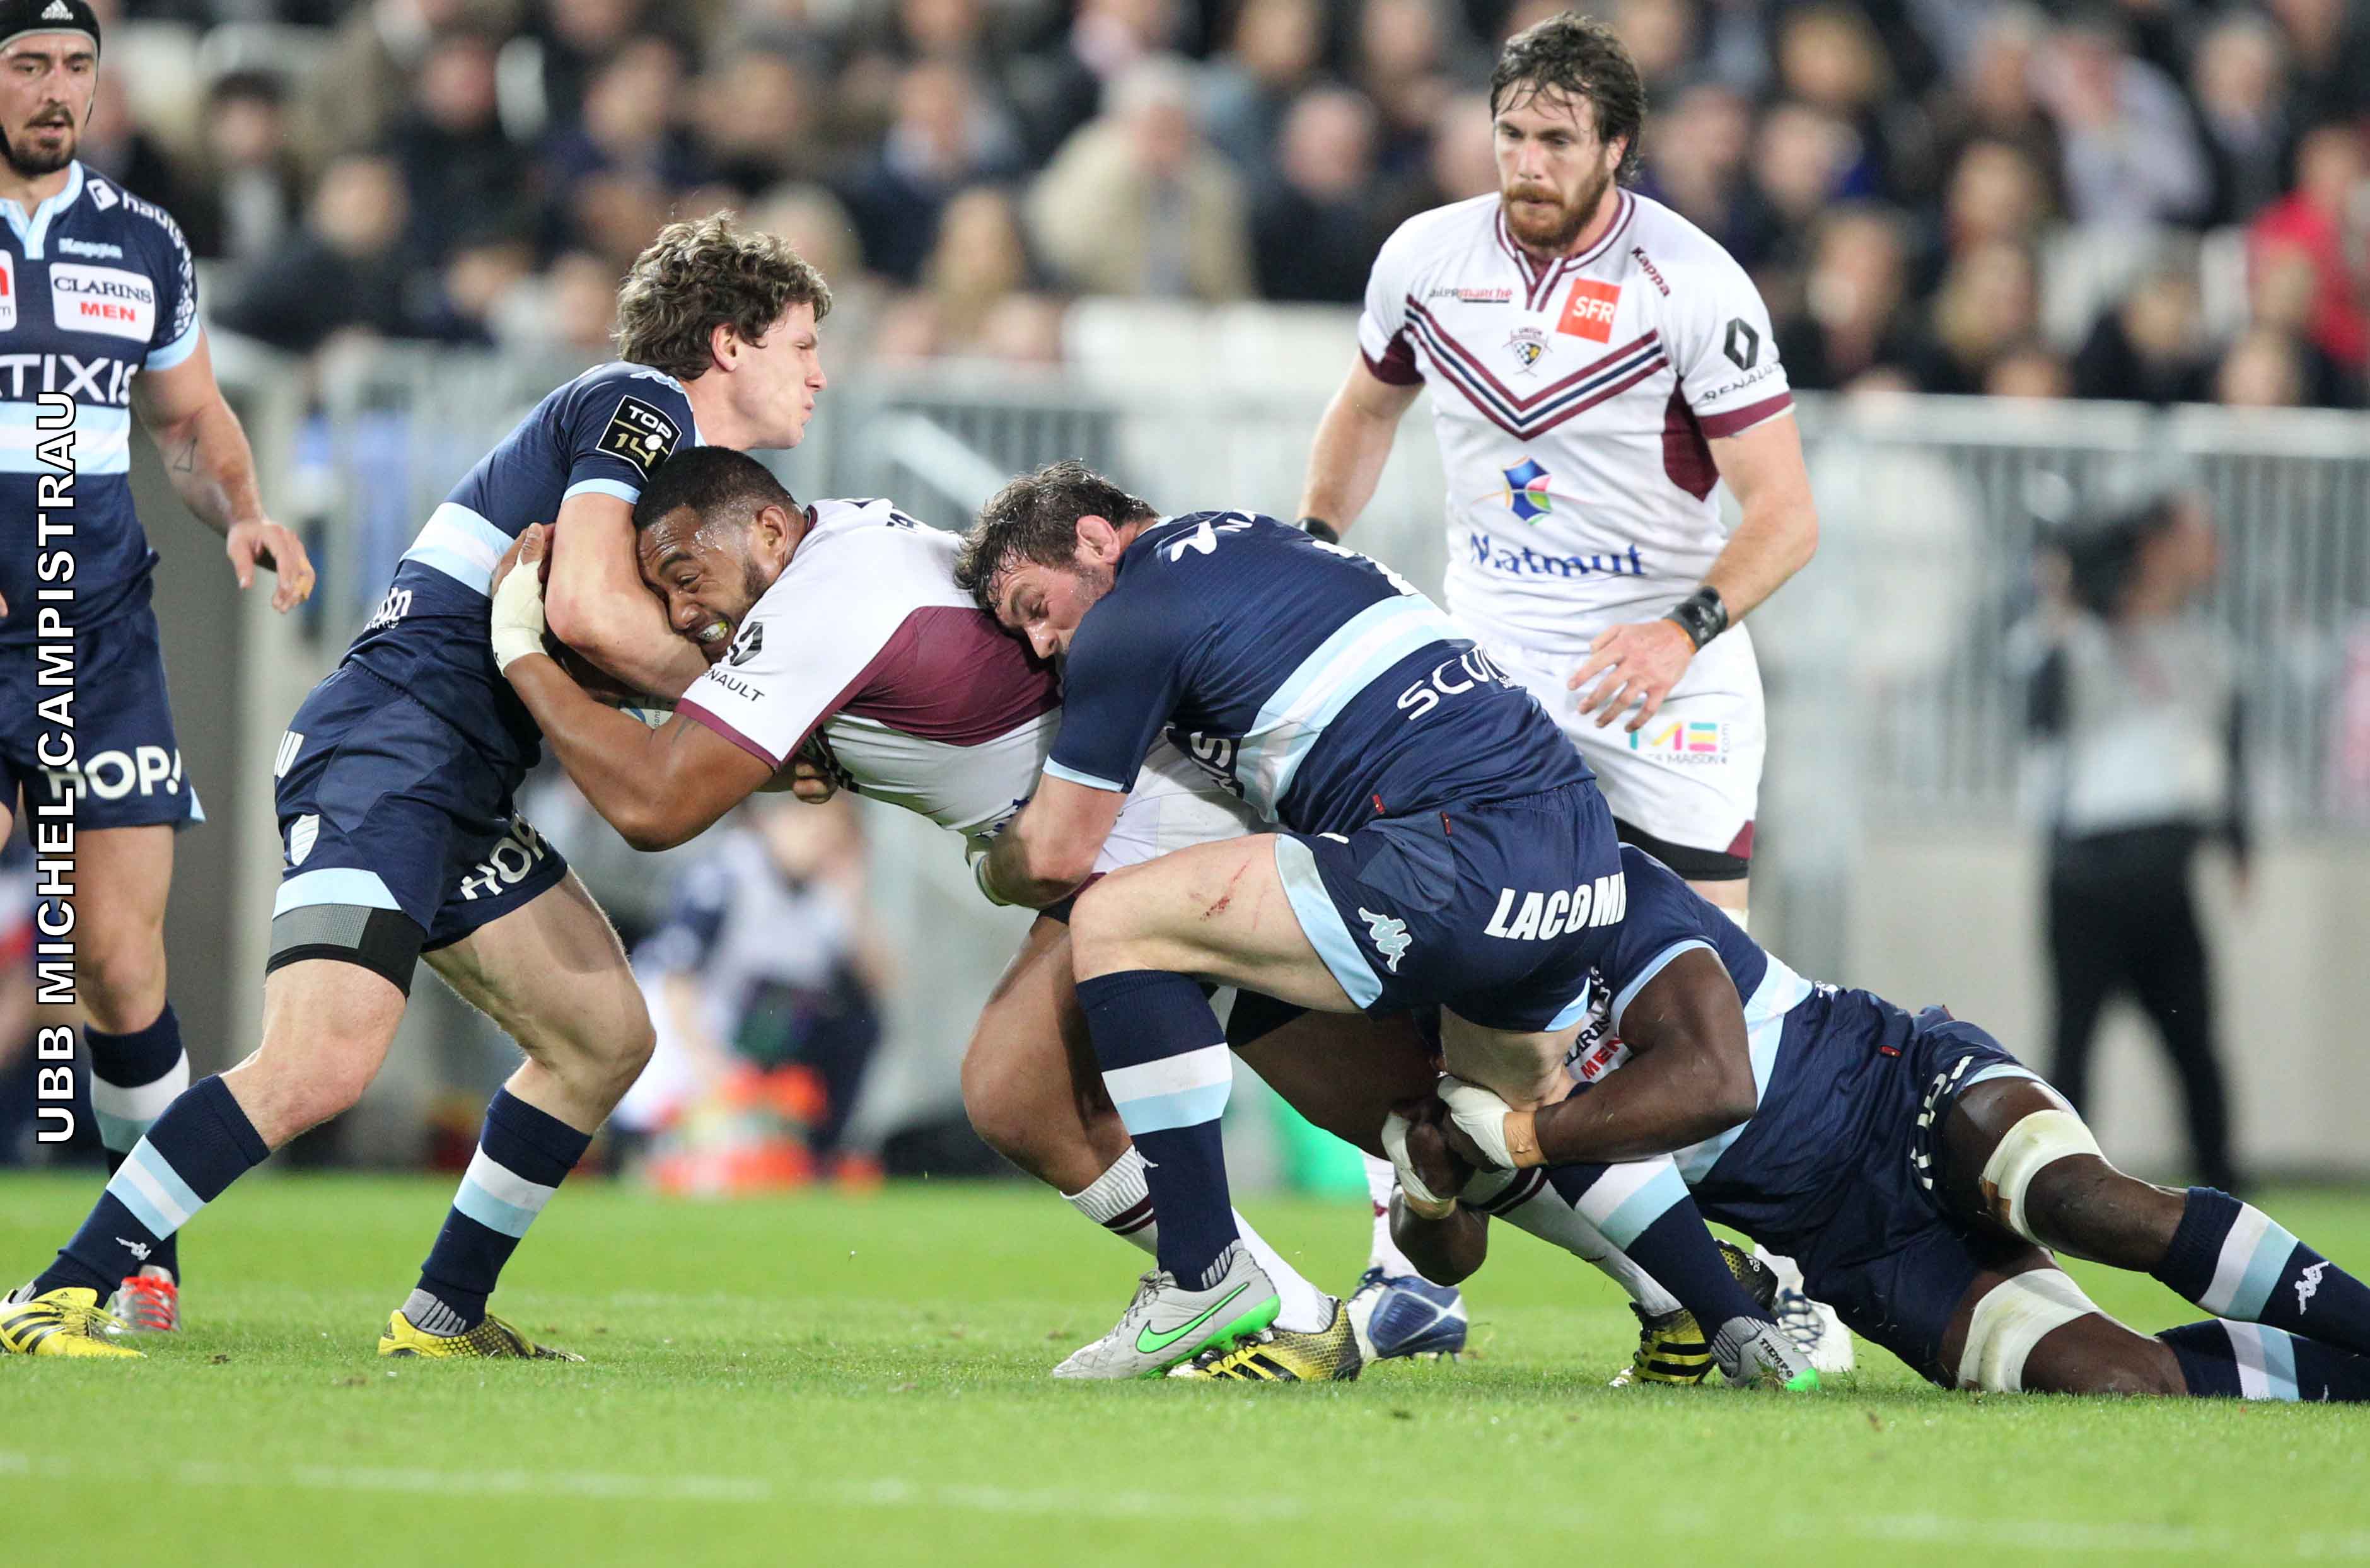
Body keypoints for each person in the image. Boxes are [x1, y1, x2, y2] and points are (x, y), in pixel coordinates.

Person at [0, 213, 828, 1360]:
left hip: (459, 780)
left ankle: (441, 1314)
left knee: (602, 1036)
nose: (819, 374)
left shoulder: (669, 466)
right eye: (800, 344)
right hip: (389, 749)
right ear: (730, 343)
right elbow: (582, 608)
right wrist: (760, 709)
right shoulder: (642, 400)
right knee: (319, 1062)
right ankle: (55, 1292)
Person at [477, 444, 1415, 1376]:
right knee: (1031, 1095)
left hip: (1142, 836)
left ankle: (1261, 1286)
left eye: (688, 575)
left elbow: (653, 805)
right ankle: (1280, 1302)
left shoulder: (820, 597)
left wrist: (523, 652)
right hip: (1136, 834)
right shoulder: (844, 542)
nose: (686, 610)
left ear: (766, 528)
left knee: (1439, 1120)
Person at [953, 465, 1811, 1386]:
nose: (1043, 643)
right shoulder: (1266, 541)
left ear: (1092, 538)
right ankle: (1731, 1319)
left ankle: (1201, 1271)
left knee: (1119, 920)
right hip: (1574, 850)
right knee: (1504, 1117)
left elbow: (1052, 853)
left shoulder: (1134, 611)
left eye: (1033, 605)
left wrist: (988, 859)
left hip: (1456, 857)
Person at [1291, 10, 1845, 1379]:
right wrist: (1314, 548)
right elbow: (1365, 410)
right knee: (1427, 952)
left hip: (1669, 687)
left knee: (1712, 1015)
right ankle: (1404, 1263)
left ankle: (1772, 1276)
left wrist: (1679, 627)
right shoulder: (1426, 258)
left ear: (1616, 149)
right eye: (1509, 133)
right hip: (1490, 677)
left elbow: (1785, 514)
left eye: (1554, 139)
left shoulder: (1691, 285)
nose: (1525, 160)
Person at [1377, 844, 2370, 1405]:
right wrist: (1428, 1182)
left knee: (2087, 1201)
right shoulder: (1447, 1026)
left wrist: (1523, 1136)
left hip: (1900, 1091)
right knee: (2114, 1382)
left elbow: (1714, 1081)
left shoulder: (1609, 889)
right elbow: (1454, 1246)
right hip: (1854, 1246)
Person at [0, 0, 315, 1337]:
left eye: (76, 65)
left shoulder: (144, 241)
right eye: (27, 64)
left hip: (99, 633)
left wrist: (238, 507)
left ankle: (148, 1255)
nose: (56, 89)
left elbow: (187, 420)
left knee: (121, 963)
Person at [2029, 484, 2246, 1195]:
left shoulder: (2207, 648)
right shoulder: (2073, 643)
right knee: (2073, 1042)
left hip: (2168, 868)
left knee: (2194, 1042)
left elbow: (2227, 750)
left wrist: (2241, 842)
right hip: (2089, 869)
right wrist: (2069, 599)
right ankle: (2058, 1187)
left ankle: (2223, 1189)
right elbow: (2043, 709)